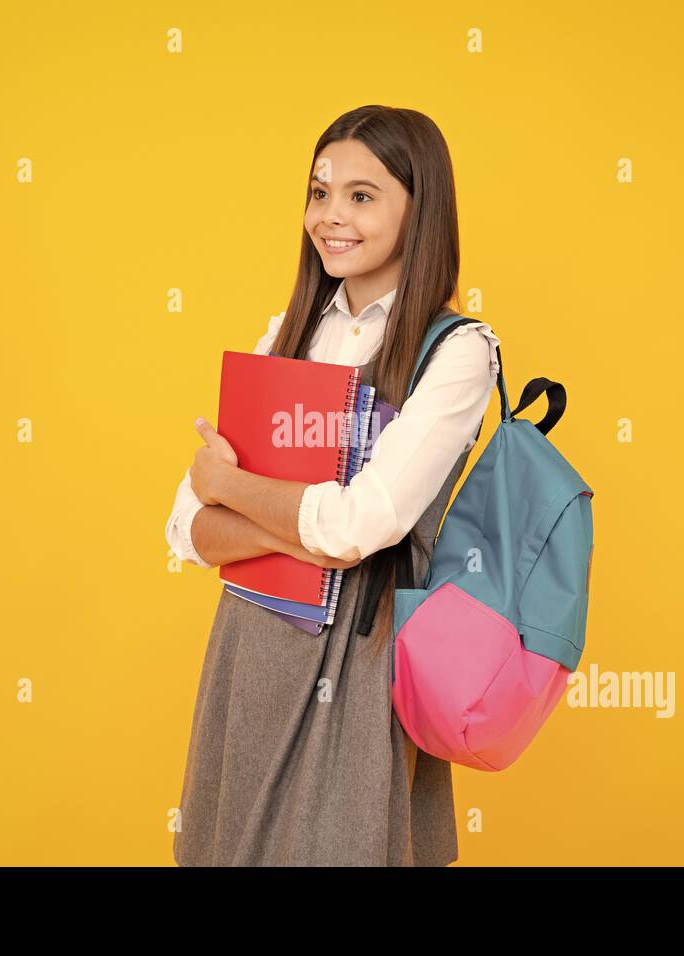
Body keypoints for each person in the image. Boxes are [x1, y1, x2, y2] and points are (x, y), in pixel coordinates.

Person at [164, 105, 500, 866]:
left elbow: (359, 526)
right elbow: (186, 530)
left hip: (359, 664)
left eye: (361, 195)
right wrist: (282, 520)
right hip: (249, 649)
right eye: (319, 193)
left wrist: (231, 485)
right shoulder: (287, 331)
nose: (330, 217)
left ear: (422, 209)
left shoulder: (455, 353)